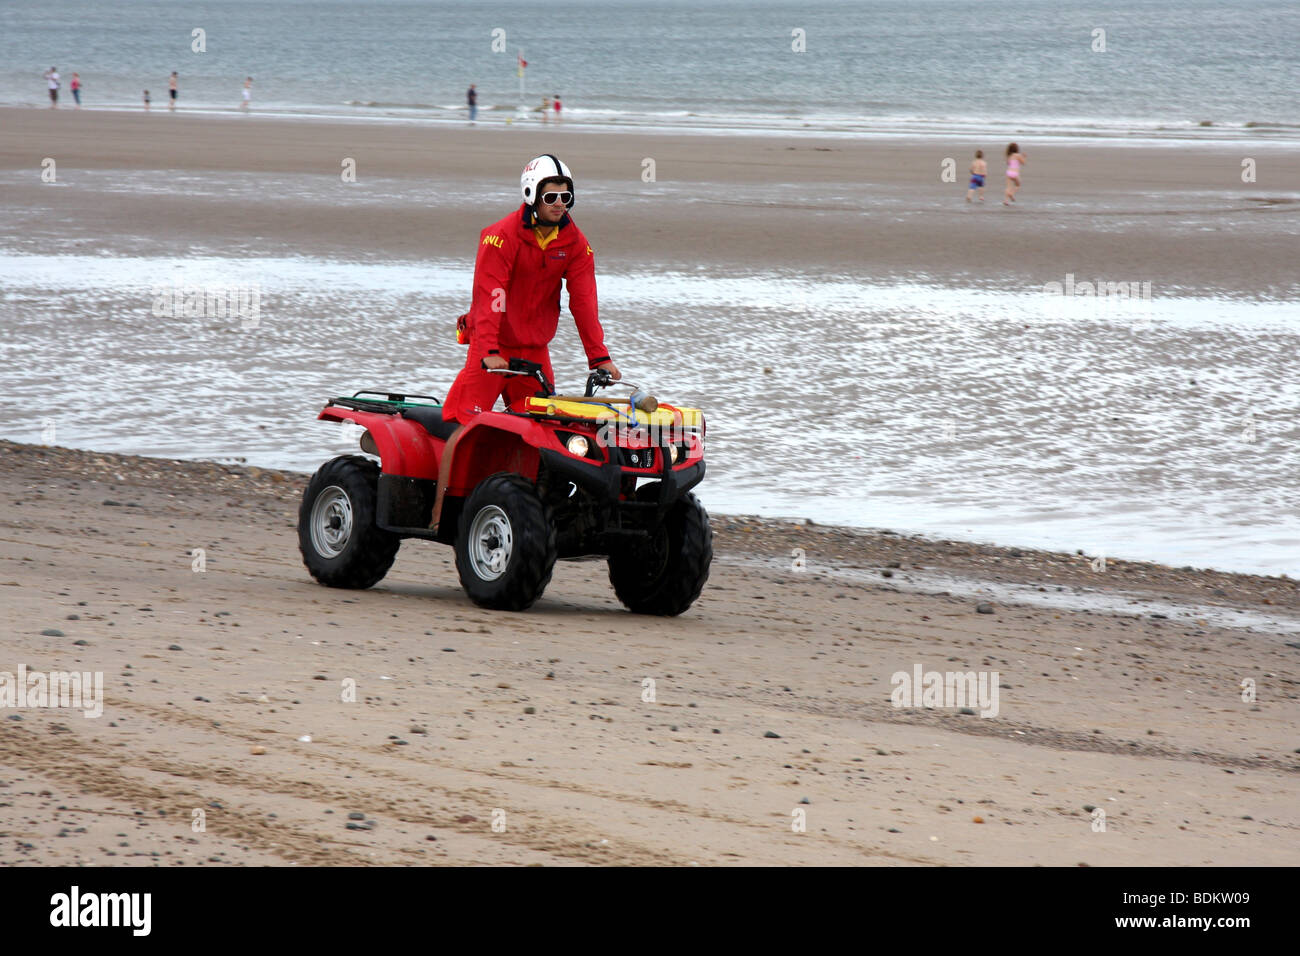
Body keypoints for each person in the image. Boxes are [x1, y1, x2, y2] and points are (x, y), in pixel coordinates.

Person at [442, 155, 620, 424]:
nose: (560, 204)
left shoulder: (575, 244)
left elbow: (584, 302)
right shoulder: (500, 237)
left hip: (536, 351)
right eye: (551, 197)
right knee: (462, 424)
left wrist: (599, 357)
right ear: (531, 194)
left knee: (544, 427)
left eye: (566, 197)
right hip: (493, 346)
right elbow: (492, 295)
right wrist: (489, 351)